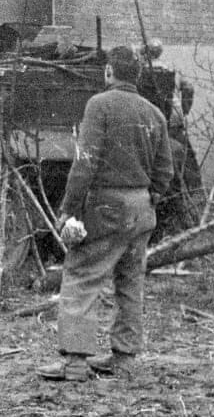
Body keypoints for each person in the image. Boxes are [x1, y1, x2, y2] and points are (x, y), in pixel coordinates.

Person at [39, 45, 174, 382]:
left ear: (109, 72)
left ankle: (75, 363)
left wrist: (68, 209)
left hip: (106, 207)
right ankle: (125, 359)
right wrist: (148, 198)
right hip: (142, 209)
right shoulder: (155, 113)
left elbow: (84, 165)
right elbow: (166, 170)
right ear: (139, 76)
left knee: (82, 275)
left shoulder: (99, 105)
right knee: (130, 282)